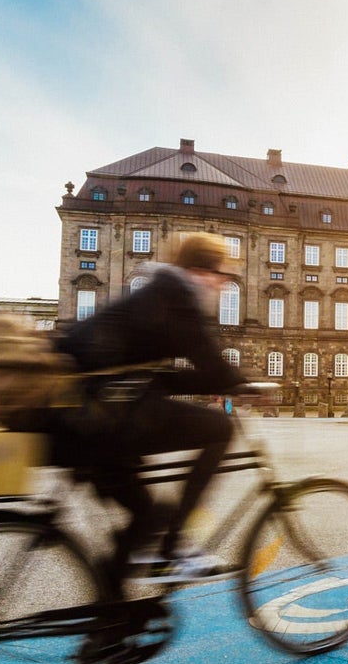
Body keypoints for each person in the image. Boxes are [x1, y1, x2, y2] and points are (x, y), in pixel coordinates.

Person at [52, 232, 246, 587]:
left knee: (148, 519)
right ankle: (174, 548)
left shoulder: (160, 293)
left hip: (84, 415)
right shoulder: (176, 296)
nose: (224, 283)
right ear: (201, 270)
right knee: (220, 429)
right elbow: (210, 364)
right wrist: (242, 384)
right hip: (95, 417)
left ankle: (114, 606)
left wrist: (221, 382)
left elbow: (161, 379)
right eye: (221, 273)